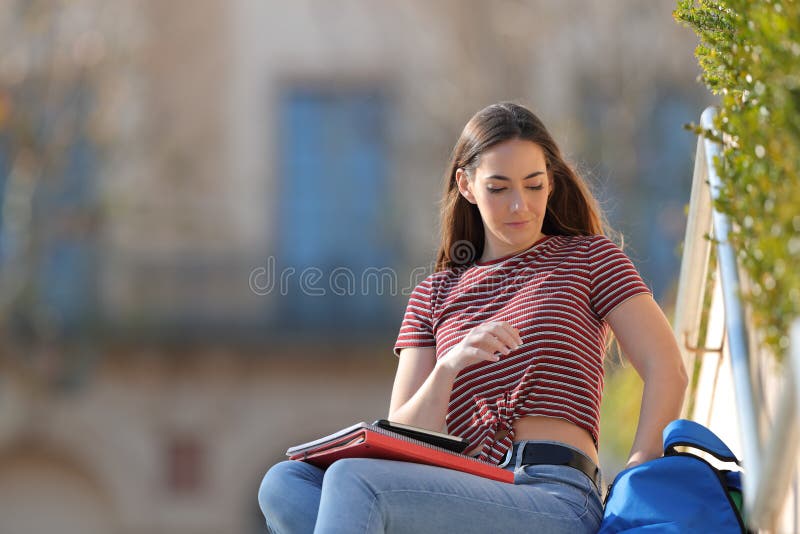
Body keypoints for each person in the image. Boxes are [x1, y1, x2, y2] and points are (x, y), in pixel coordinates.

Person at [258, 102, 688, 534]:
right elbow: (402, 438)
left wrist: (635, 478)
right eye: (499, 188)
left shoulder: (589, 258)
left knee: (353, 480)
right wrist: (449, 367)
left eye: (534, 185)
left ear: (551, 183)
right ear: (466, 185)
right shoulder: (433, 294)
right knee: (285, 483)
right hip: (456, 492)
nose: (520, 205)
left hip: (554, 496)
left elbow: (666, 368)